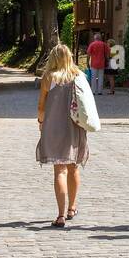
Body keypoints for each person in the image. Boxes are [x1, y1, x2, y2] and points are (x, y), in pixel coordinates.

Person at [36, 44, 100, 228]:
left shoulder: (49, 77)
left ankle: (61, 215)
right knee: (73, 167)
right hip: (75, 125)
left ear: (53, 58)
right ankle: (72, 207)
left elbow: (41, 105)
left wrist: (41, 122)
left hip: (54, 127)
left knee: (59, 170)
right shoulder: (78, 76)